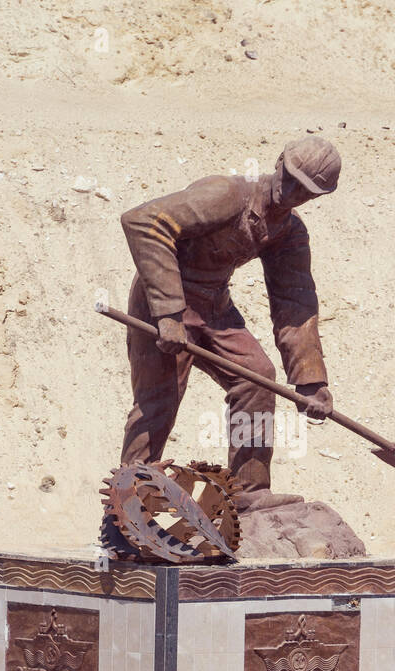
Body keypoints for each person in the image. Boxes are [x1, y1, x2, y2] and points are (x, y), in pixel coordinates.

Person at [117, 135, 341, 511]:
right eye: (290, 179)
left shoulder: (289, 232)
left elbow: (295, 303)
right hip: (162, 299)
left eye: (306, 191)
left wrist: (311, 381)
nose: (293, 193)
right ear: (278, 163)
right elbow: (145, 222)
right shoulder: (226, 194)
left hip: (214, 306)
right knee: (160, 395)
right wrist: (169, 313)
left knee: (257, 377)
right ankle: (130, 495)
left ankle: (248, 492)